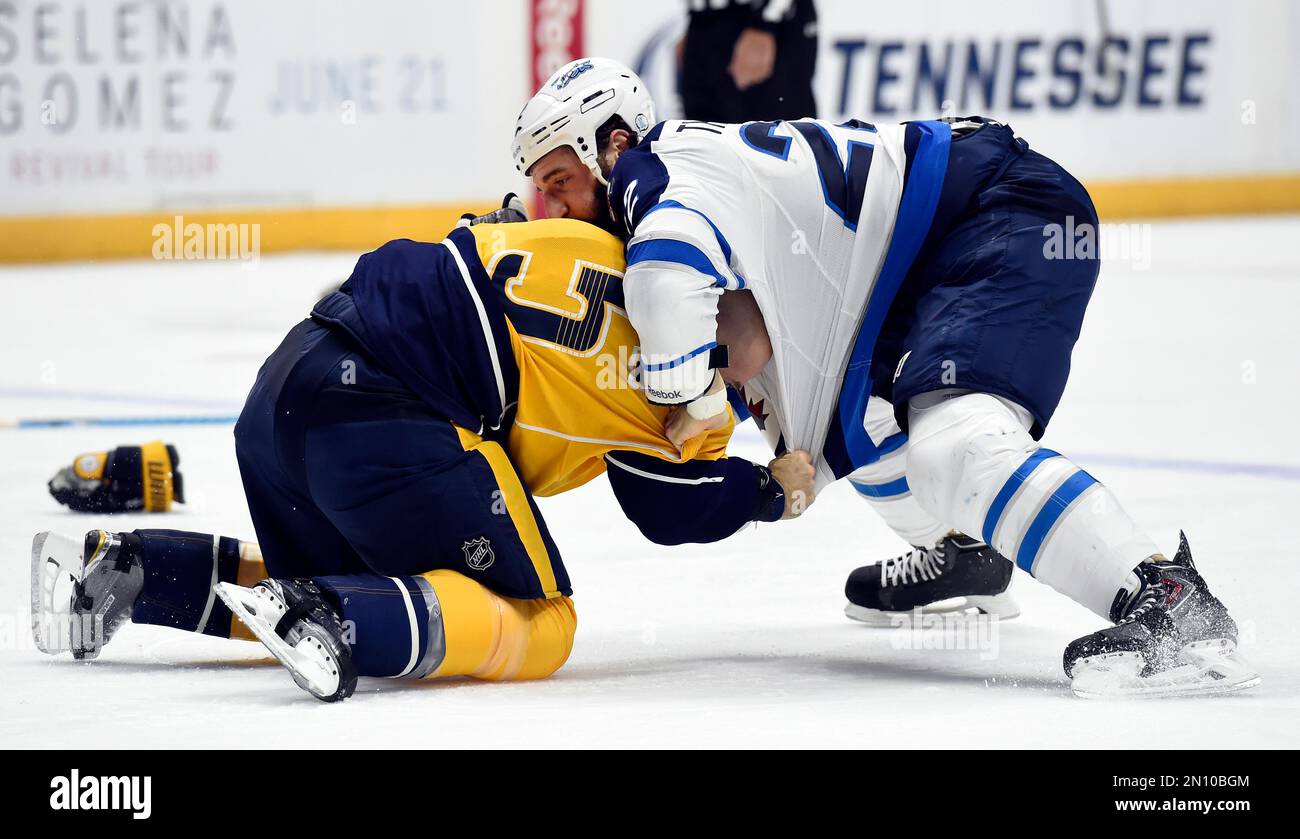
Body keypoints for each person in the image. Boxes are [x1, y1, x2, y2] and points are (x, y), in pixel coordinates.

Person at [510, 57, 1260, 697]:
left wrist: (684, 392)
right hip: (919, 256)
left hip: (997, 210)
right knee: (856, 428)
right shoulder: (692, 175)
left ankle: (1168, 600)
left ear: (610, 143)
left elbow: (667, 283)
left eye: (562, 179)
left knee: (950, 441)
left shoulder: (654, 169)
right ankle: (971, 549)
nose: (560, 205)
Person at [30, 217, 816, 702]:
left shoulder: (565, 234)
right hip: (386, 415)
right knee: (545, 623)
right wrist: (765, 491)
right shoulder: (687, 364)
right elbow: (668, 507)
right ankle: (336, 620)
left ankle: (132, 570)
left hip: (287, 386)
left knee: (329, 579)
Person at [680, 0, 818, 123]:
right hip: (705, 20)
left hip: (761, 20)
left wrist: (765, 23)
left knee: (774, 135)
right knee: (706, 136)